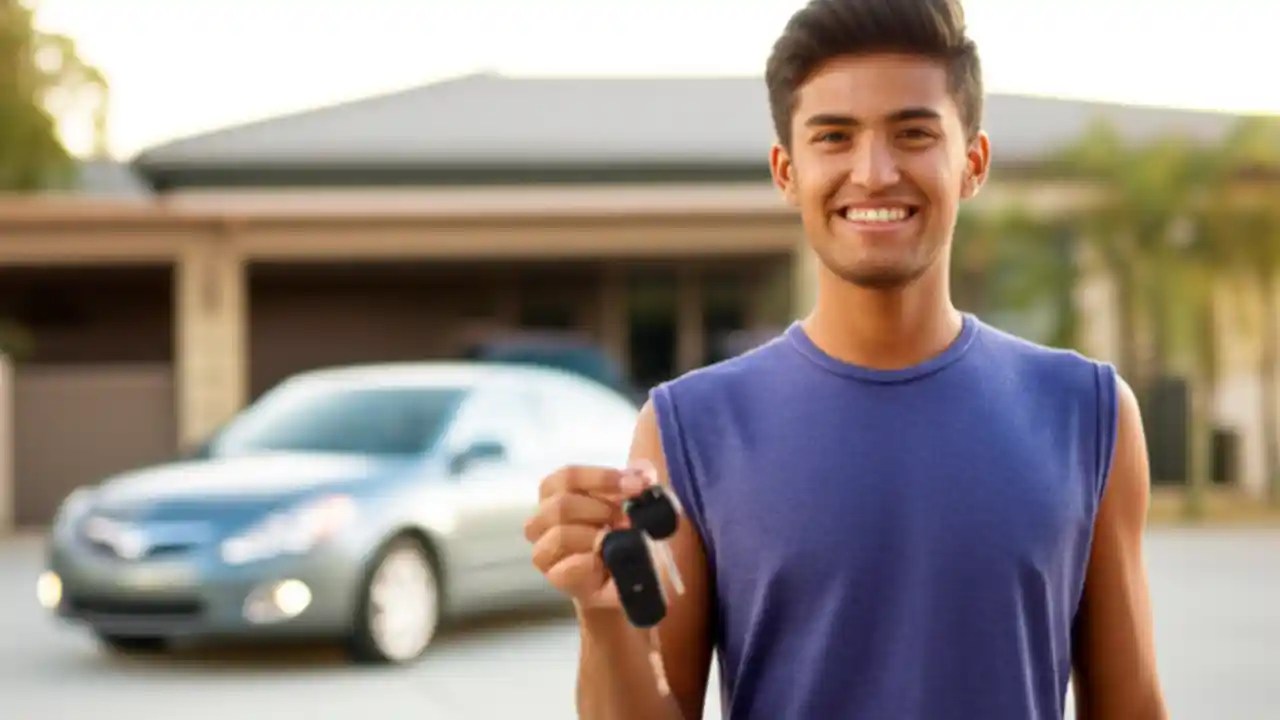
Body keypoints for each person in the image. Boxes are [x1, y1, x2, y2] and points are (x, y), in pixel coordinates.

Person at [522, 0, 1168, 717]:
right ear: (787, 171)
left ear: (973, 162)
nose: (874, 171)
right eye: (834, 137)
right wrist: (607, 619)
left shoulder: (1087, 412)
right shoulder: (691, 429)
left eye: (914, 133)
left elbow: (1131, 705)